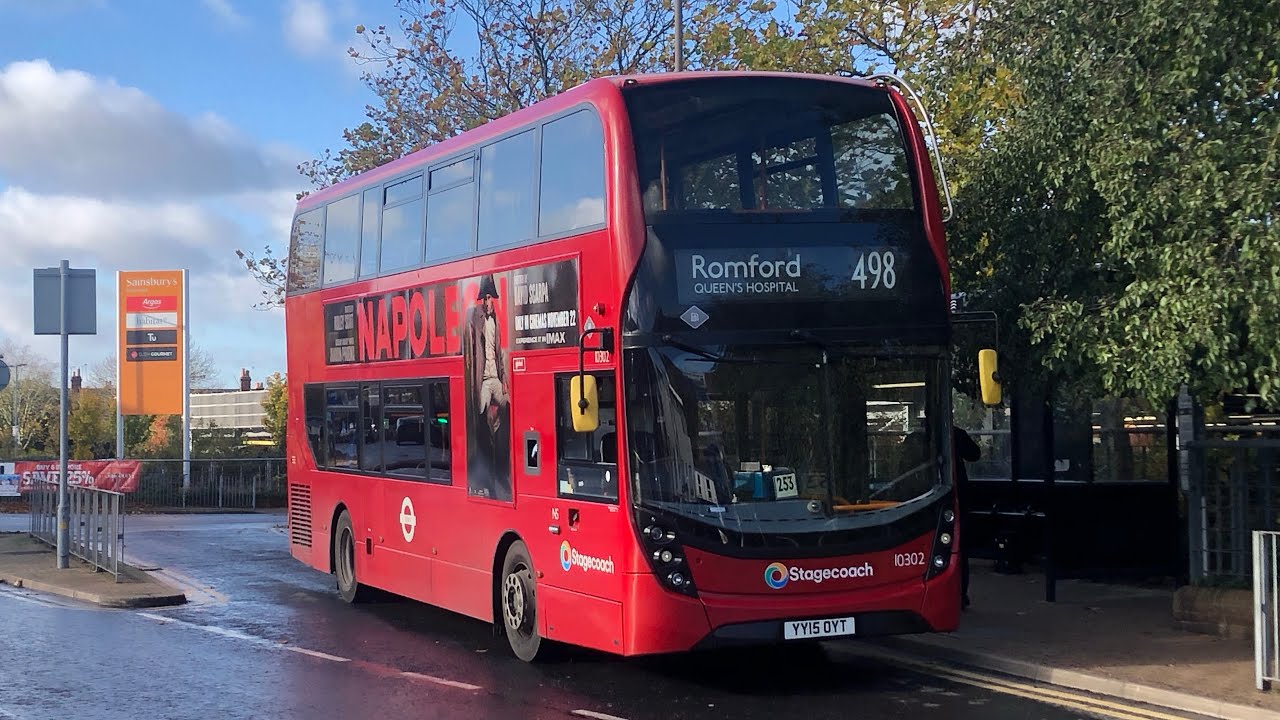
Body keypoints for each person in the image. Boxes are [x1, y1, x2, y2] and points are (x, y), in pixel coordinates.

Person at [953, 425, 980, 608]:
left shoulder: (918, 436)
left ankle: (960, 593)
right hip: (959, 498)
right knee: (960, 548)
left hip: (954, 499)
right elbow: (974, 454)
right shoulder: (956, 433)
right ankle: (961, 594)